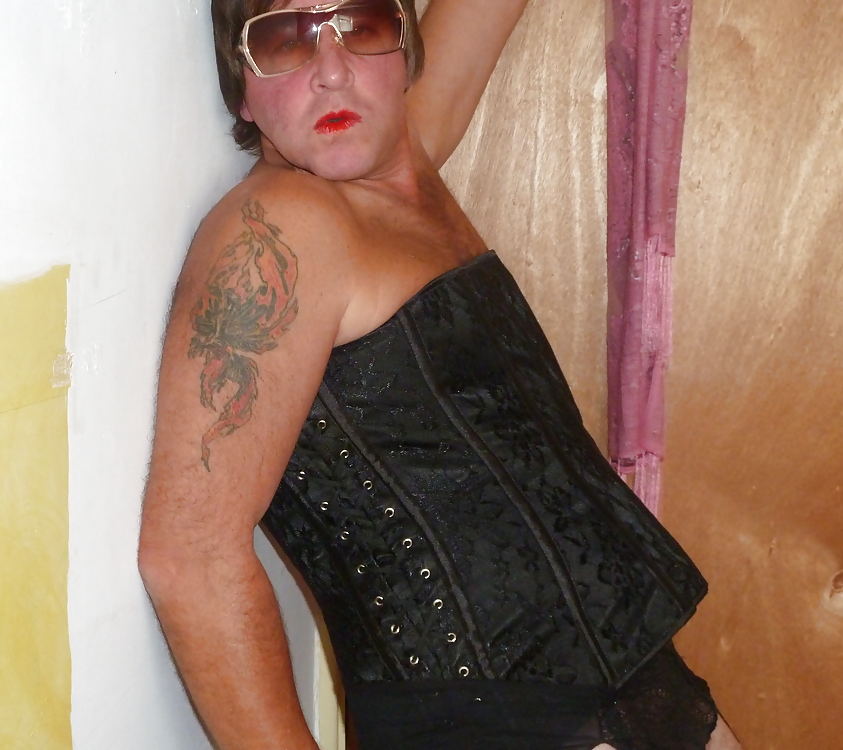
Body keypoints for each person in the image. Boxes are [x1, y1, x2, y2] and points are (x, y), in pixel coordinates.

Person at [138, 1, 743, 748]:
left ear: (402, 43)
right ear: (241, 86)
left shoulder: (401, 158)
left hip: (643, 681)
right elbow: (189, 558)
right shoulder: (281, 229)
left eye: (359, 24)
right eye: (285, 40)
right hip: (490, 723)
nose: (332, 73)